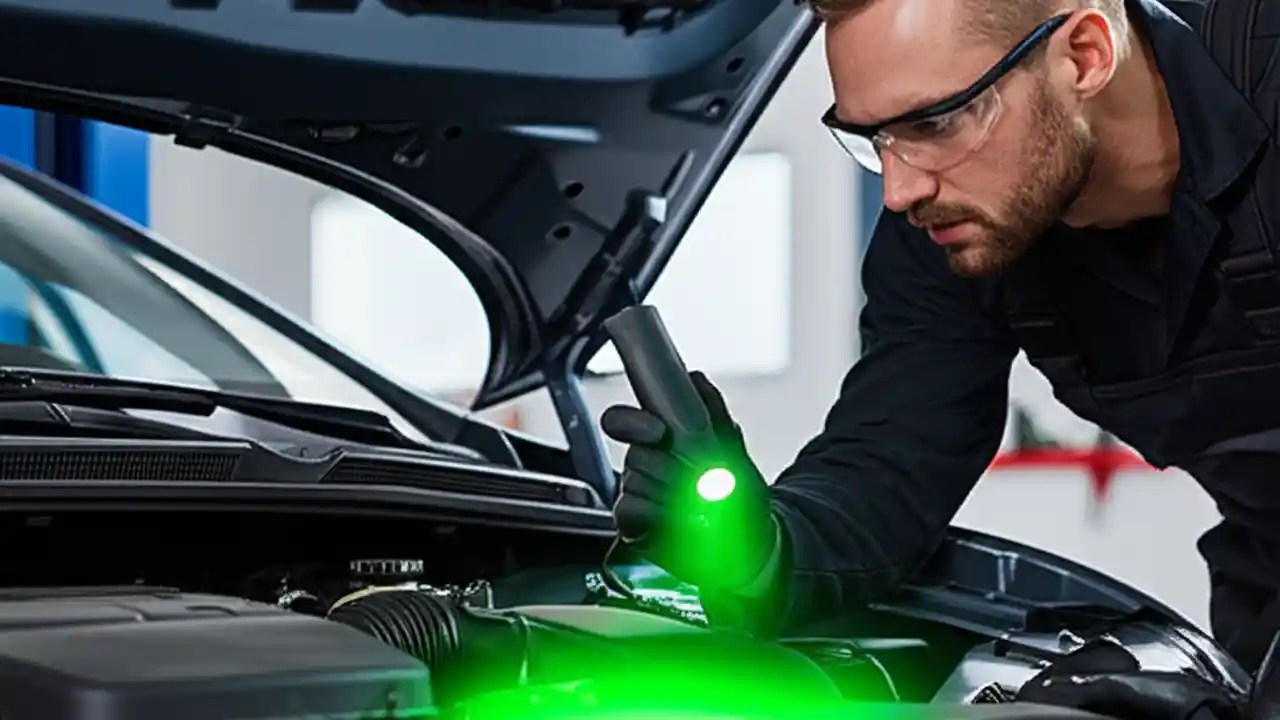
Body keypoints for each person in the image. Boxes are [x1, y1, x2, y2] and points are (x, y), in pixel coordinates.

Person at [600, 0, 1280, 683]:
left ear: (1084, 56)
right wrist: (756, 546)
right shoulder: (950, 227)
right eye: (875, 138)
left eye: (935, 122)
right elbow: (894, 460)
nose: (899, 190)